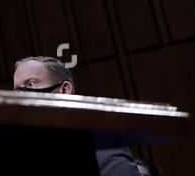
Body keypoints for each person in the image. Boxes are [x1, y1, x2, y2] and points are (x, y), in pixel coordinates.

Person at [13, 56, 142, 176]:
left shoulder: (99, 140)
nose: (21, 94)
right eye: (17, 90)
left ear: (64, 90)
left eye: (31, 83)